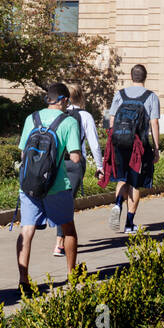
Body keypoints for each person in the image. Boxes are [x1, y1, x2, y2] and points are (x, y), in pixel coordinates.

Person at [17, 83, 83, 288]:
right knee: (68, 228)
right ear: (63, 100)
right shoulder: (69, 122)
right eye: (67, 102)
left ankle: (23, 281)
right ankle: (71, 275)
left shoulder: (32, 118)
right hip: (56, 186)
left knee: (26, 231)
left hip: (29, 184)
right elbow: (74, 158)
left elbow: (22, 152)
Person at [106, 65, 161, 234]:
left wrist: (114, 140)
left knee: (122, 178)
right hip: (139, 145)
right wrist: (156, 148)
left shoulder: (120, 94)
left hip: (119, 143)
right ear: (145, 77)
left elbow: (112, 120)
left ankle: (117, 204)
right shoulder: (151, 97)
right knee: (135, 183)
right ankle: (129, 224)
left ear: (131, 76)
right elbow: (154, 123)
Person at [53, 92, 102, 257]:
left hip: (57, 162)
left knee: (61, 199)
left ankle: (62, 240)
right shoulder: (85, 115)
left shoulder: (57, 113)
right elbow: (94, 143)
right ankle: (60, 243)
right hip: (75, 163)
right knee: (67, 202)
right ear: (81, 98)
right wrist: (99, 166)